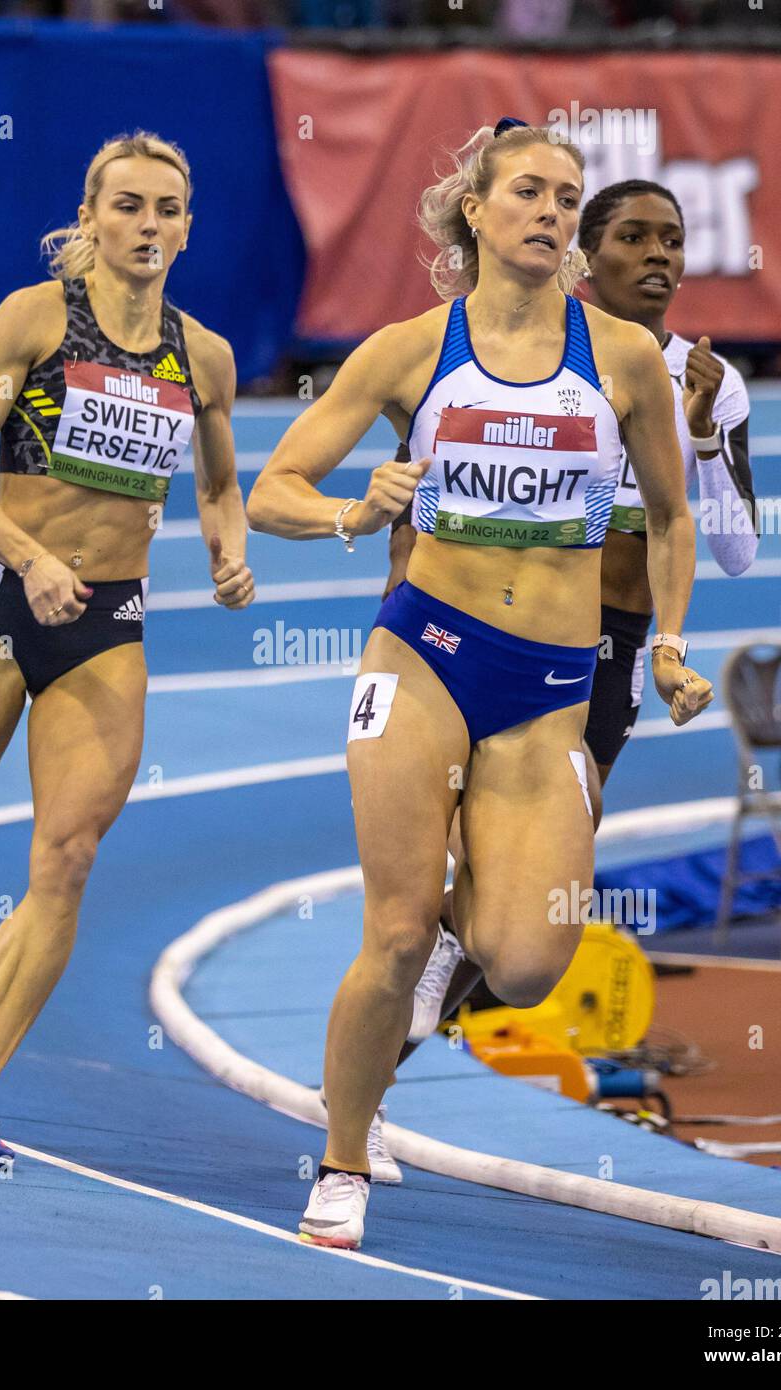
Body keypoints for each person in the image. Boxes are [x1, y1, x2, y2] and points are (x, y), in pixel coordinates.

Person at [247, 119, 712, 1248]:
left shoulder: (624, 358)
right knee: (398, 931)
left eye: (566, 197)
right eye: (530, 194)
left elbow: (673, 510)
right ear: (476, 211)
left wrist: (668, 644)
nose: (553, 214)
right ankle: (344, 1156)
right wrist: (357, 509)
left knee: (528, 952)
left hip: (550, 683)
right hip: (424, 658)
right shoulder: (411, 349)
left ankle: (464, 902)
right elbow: (274, 490)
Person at [0, 131, 253, 1167]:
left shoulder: (203, 355)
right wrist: (29, 557)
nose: (146, 226)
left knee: (69, 856)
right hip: (0, 604)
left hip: (107, 624)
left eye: (165, 209)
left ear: (188, 224)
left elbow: (220, 485)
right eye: (126, 206)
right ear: (89, 216)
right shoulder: (36, 319)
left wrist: (228, 551)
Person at [387, 179, 757, 1124]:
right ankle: (376, 1076)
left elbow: (735, 551)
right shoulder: (542, 351)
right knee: (456, 854)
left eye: (672, 238)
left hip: (614, 649)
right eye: (633, 236)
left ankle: (402, 1035)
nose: (659, 255)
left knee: (533, 884)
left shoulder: (707, 380)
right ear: (587, 256)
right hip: (490, 627)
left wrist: (708, 436)